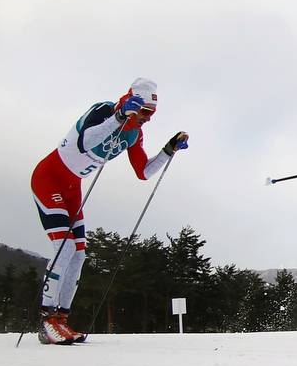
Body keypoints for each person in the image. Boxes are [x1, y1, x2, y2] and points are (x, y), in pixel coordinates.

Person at [31, 78, 189, 344]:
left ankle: (61, 319)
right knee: (65, 249)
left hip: (72, 189)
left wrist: (168, 150)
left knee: (79, 254)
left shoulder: (134, 133)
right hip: (49, 179)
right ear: (132, 102)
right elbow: (84, 141)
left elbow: (143, 172)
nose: (148, 119)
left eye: (152, 114)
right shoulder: (104, 110)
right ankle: (46, 321)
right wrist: (118, 117)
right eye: (145, 112)